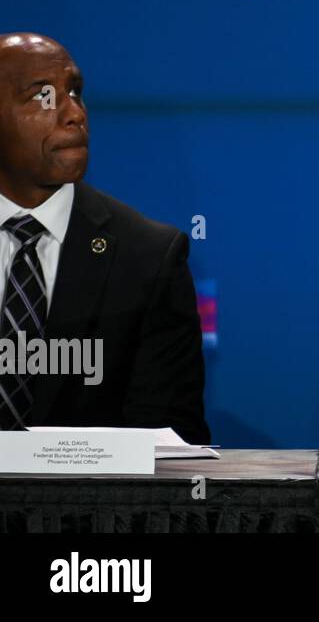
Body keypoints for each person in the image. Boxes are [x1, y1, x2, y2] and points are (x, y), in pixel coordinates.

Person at [0, 33, 209, 445]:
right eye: (43, 96)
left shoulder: (148, 258)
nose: (75, 113)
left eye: (75, 91)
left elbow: (167, 446)